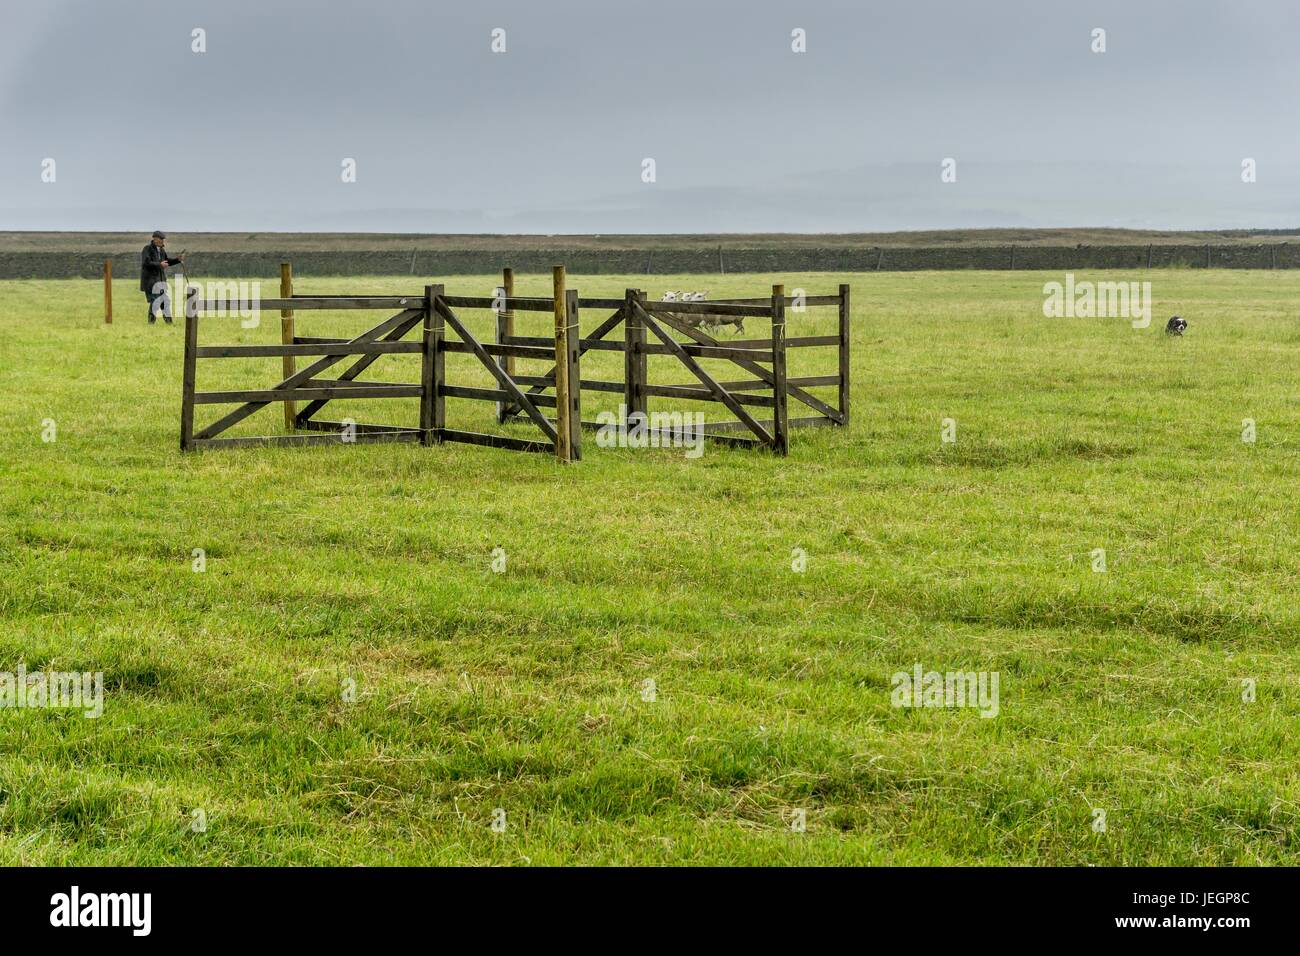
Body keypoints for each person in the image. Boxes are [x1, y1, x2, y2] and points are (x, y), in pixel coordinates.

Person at [140, 230, 184, 324]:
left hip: (160, 282)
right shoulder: (147, 249)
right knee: (155, 301)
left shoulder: (162, 250)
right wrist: (159, 264)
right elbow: (146, 263)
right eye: (161, 239)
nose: (163, 241)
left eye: (163, 239)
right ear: (155, 239)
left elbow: (166, 261)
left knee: (165, 302)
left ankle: (169, 323)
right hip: (150, 282)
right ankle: (151, 323)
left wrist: (177, 260)